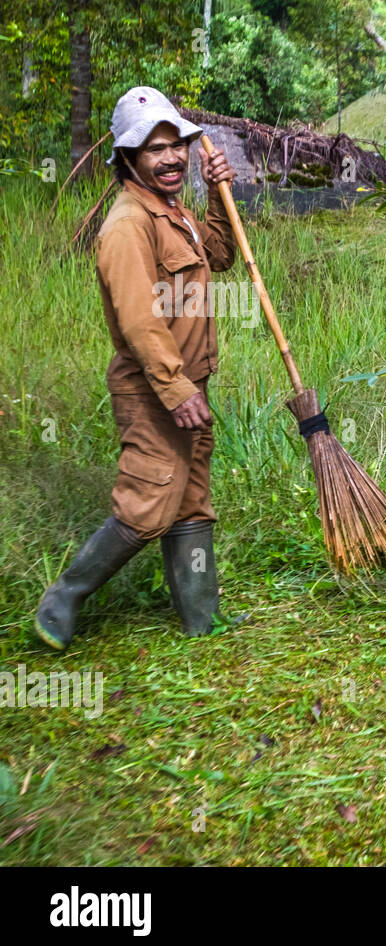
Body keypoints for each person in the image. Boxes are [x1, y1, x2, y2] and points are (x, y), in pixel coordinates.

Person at [35, 86, 237, 650]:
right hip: (154, 388)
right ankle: (63, 598)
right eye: (154, 149)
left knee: (191, 502)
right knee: (148, 504)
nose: (170, 158)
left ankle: (203, 619)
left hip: (187, 382)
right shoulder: (127, 224)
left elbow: (220, 253)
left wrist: (221, 193)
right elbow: (139, 320)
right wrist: (174, 388)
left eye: (177, 145)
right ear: (128, 159)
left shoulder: (174, 212)